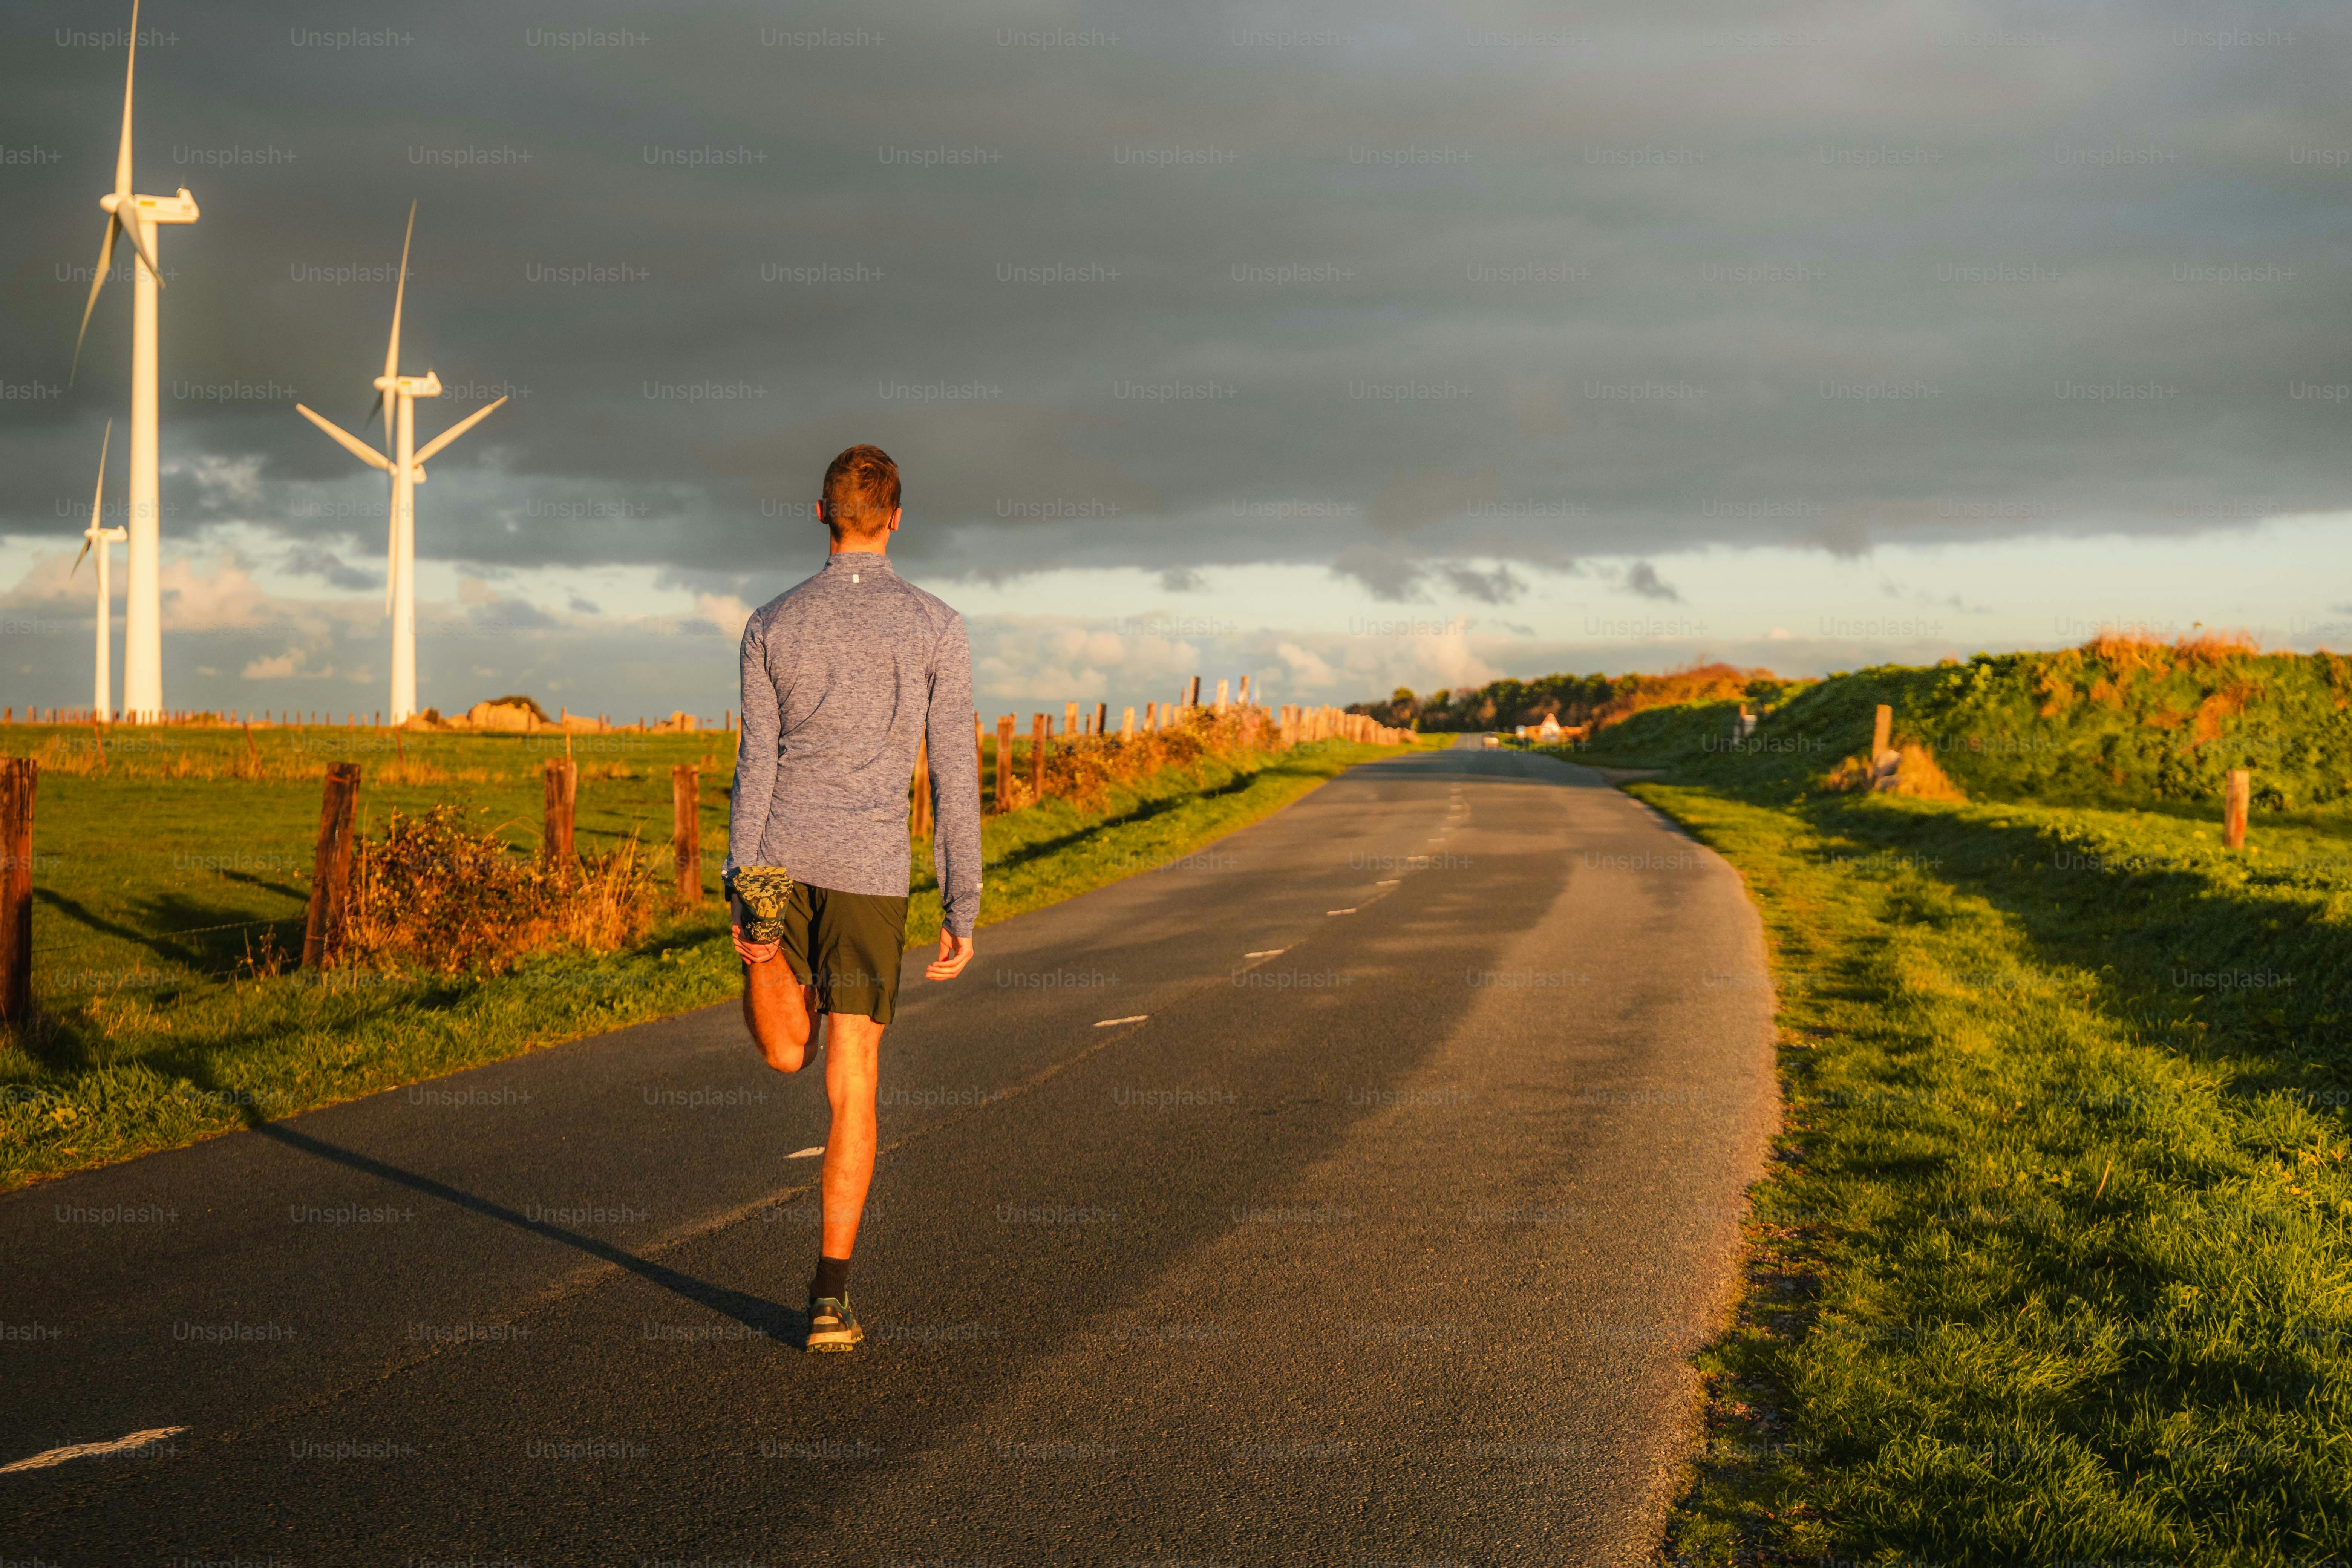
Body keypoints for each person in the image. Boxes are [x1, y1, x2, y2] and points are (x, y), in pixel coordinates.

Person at [727, 444, 982, 1352]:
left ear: (821, 514)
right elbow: (953, 774)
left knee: (784, 1051)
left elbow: (756, 764)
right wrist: (964, 903)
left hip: (780, 860)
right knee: (852, 1081)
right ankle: (829, 1300)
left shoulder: (770, 623)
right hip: (872, 873)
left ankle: (761, 956)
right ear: (897, 518)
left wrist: (745, 884)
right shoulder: (937, 625)